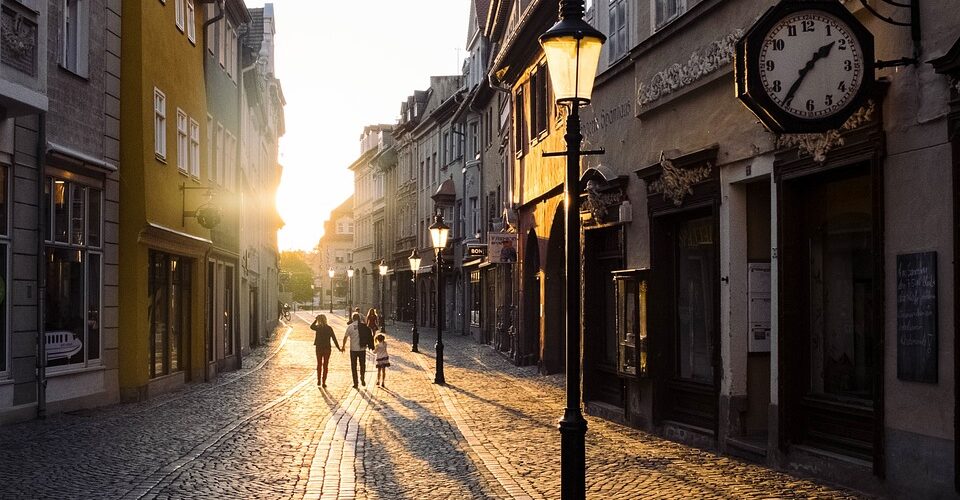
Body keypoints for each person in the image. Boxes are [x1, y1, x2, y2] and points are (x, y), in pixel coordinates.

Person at [341, 312, 373, 388]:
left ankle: (356, 383)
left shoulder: (350, 327)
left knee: (354, 366)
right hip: (362, 349)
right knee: (362, 365)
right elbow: (369, 335)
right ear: (359, 318)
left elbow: (345, 337)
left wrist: (343, 346)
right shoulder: (364, 327)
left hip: (353, 349)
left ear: (352, 318)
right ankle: (362, 377)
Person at [310, 314, 341, 388]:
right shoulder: (329, 328)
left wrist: (315, 320)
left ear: (319, 320)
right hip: (327, 348)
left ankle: (318, 380)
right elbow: (334, 338)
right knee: (325, 365)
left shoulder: (318, 327)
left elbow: (311, 326)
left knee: (319, 364)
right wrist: (338, 348)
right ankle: (324, 382)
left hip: (319, 348)